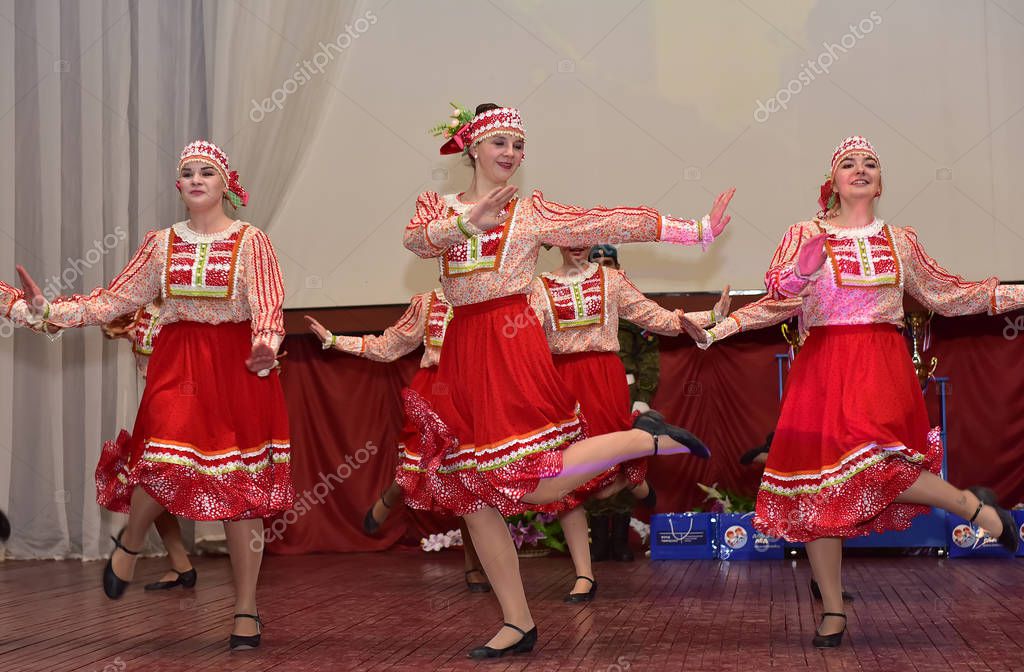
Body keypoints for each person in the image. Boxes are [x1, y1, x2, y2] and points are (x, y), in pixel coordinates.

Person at [402, 102, 734, 658]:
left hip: (509, 347)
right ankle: (517, 621)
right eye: (500, 142)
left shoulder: (532, 211)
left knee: (531, 481)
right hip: (462, 349)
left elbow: (606, 220)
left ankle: (642, 439)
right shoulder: (436, 206)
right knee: (470, 492)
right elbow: (416, 242)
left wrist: (692, 230)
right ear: (472, 149)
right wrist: (467, 221)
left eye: (518, 145)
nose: (510, 153)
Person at [1, 140, 292, 650]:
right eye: (187, 172)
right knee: (159, 457)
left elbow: (269, 303)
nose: (197, 178)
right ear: (178, 186)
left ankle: (245, 609)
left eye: (207, 171)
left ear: (227, 185)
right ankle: (131, 540)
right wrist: (47, 311)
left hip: (239, 368)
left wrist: (266, 344)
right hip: (178, 363)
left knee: (244, 498)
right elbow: (113, 299)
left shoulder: (252, 242)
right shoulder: (160, 244)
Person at [753, 135, 1021, 647]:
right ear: (832, 181)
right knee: (819, 490)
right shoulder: (804, 232)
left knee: (877, 461)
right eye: (848, 164)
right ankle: (833, 609)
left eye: (870, 164)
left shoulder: (901, 240)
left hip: (881, 364)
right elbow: (779, 291)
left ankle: (970, 506)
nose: (860, 169)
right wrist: (800, 269)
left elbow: (950, 293)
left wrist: (1016, 293)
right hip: (823, 366)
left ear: (881, 182)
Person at [306, 289, 491, 592]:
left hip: (477, 393)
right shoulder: (428, 302)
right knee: (415, 471)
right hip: (437, 392)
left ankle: (474, 565)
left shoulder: (488, 298)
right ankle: (393, 494)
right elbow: (389, 345)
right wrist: (335, 339)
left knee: (469, 485)